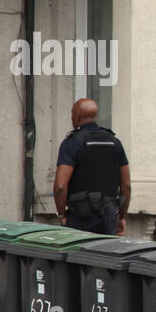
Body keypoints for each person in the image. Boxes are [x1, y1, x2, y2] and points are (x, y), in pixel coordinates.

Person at [54, 98, 130, 235]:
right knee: (105, 256)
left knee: (78, 255)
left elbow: (60, 186)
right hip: (108, 218)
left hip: (80, 217)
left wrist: (61, 216)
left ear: (76, 117)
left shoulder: (72, 143)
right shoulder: (115, 142)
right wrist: (122, 217)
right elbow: (126, 185)